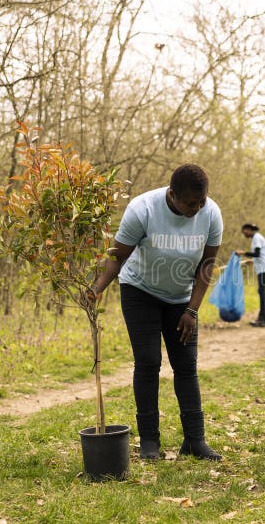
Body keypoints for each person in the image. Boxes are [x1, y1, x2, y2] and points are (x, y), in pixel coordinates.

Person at [88, 164, 222, 461]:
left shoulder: (211, 213)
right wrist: (95, 289)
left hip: (181, 299)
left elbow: (206, 266)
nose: (197, 208)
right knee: (148, 362)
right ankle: (149, 441)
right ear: (172, 195)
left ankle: (195, 441)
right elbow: (117, 257)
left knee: (186, 365)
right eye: (190, 203)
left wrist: (192, 310)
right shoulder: (142, 209)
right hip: (140, 292)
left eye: (201, 201)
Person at [235, 223, 265, 327]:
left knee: (262, 292)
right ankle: (264, 319)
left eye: (244, 232)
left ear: (249, 230)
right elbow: (258, 255)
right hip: (262, 268)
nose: (244, 234)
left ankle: (263, 319)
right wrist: (251, 260)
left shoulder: (257, 238)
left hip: (264, 268)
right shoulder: (257, 238)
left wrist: (242, 253)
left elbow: (257, 254)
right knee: (261, 292)